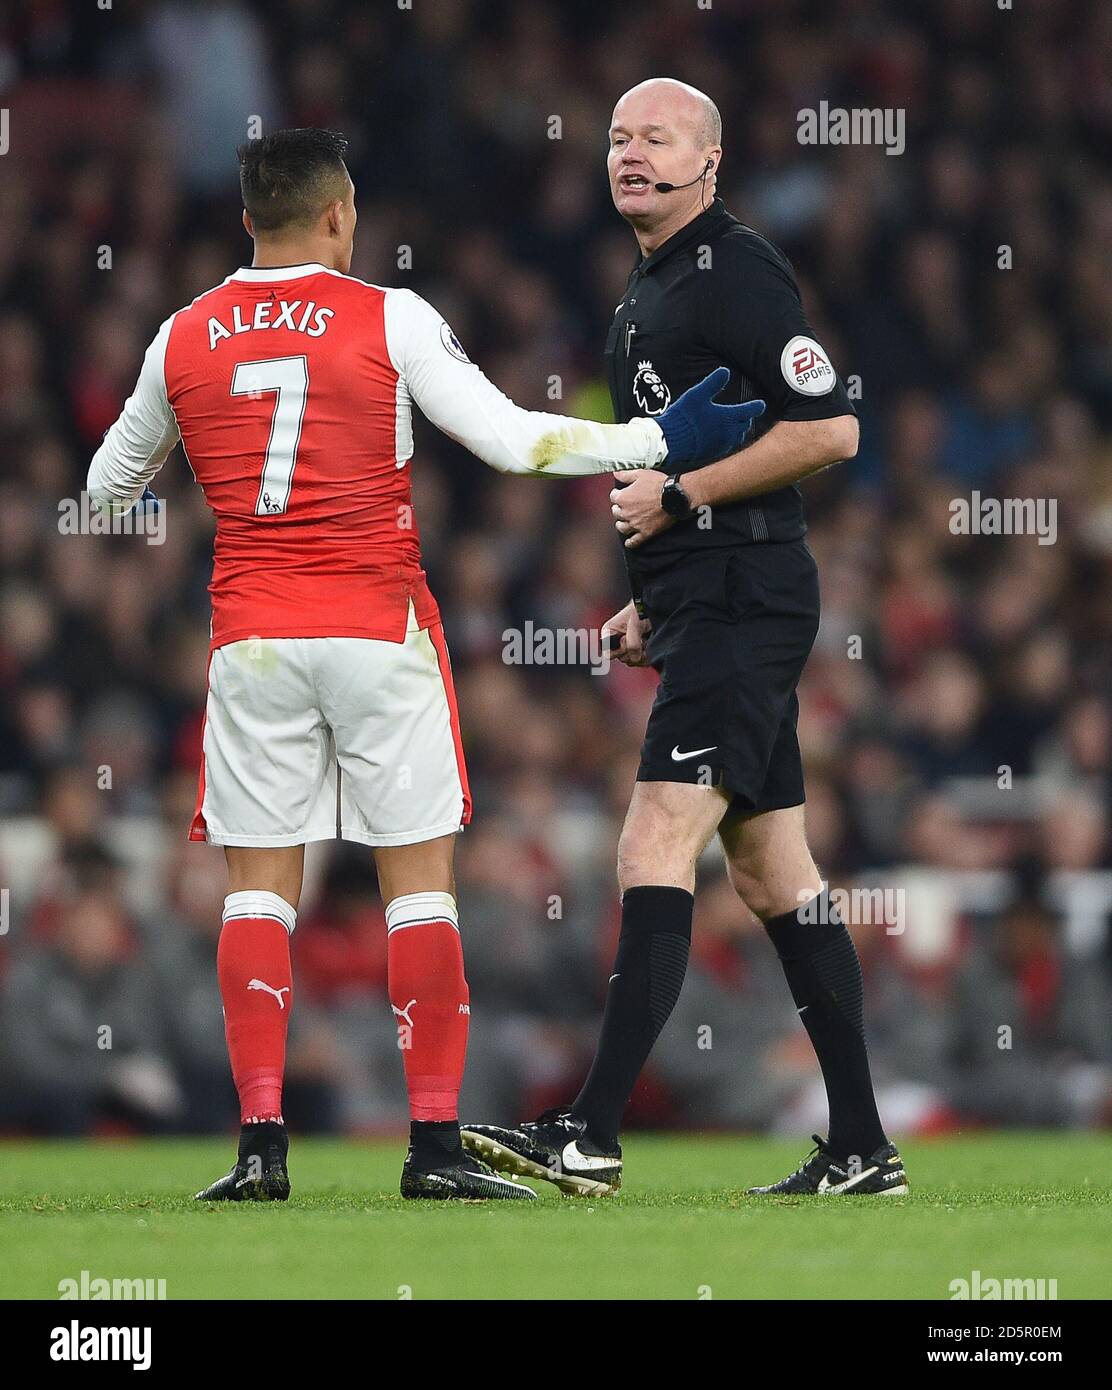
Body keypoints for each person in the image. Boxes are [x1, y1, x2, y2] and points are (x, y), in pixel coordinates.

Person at [86, 127, 762, 1201]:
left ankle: (260, 1147)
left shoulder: (182, 334)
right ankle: (433, 1147)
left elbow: (104, 489)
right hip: (374, 630)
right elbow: (509, 440)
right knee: (418, 889)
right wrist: (651, 441)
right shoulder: (386, 315)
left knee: (257, 894)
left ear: (248, 219)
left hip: (251, 639)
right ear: (339, 216)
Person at [462, 80, 908, 1198]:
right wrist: (650, 597)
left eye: (656, 138)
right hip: (707, 598)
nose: (628, 154)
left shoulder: (737, 268)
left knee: (651, 843)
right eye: (616, 137)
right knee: (773, 872)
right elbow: (682, 453)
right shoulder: (648, 284)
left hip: (745, 600)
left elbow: (831, 425)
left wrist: (684, 497)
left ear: (709, 160)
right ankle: (860, 1145)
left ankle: (588, 1132)